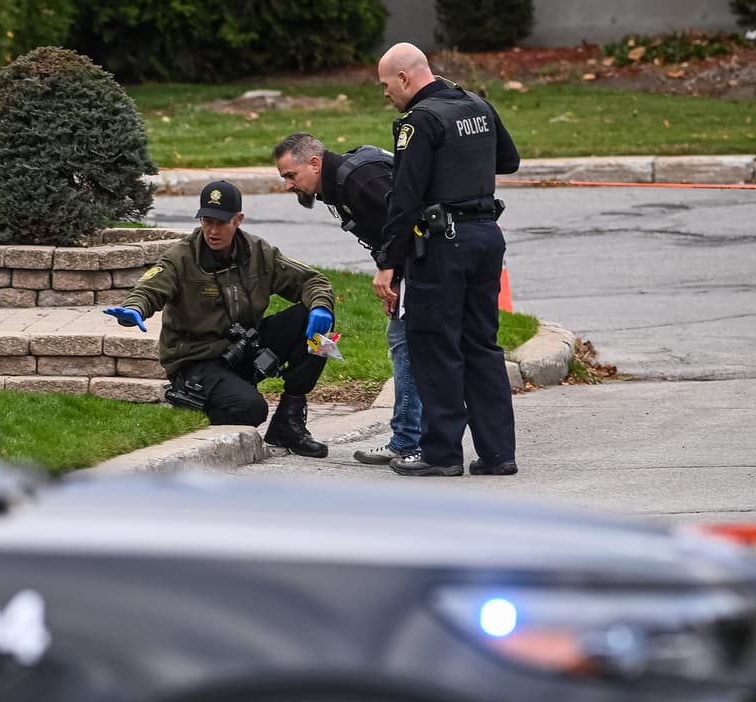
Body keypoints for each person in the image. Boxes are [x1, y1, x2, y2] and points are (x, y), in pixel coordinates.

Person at [371, 42, 521, 477]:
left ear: (404, 77)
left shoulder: (420, 122)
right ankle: (497, 454)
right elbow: (508, 161)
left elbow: (404, 199)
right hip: (485, 237)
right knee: (482, 345)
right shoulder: (476, 103)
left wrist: (387, 262)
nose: (385, 94)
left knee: (436, 346)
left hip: (443, 244)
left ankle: (440, 454)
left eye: (385, 85)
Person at [104, 180, 336, 458]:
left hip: (244, 349)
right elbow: (150, 287)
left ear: (238, 220)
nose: (213, 230)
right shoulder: (181, 256)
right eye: (207, 221)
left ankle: (290, 419)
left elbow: (313, 281)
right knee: (251, 409)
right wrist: (134, 309)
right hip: (198, 360)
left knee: (317, 322)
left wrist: (321, 307)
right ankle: (191, 397)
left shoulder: (258, 252)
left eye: (221, 222)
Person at [273, 132, 422, 467]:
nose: (288, 185)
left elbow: (404, 222)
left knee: (407, 346)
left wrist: (390, 269)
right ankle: (413, 438)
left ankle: (409, 441)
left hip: (427, 266)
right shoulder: (341, 184)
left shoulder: (359, 179)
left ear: (314, 163)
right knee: (407, 344)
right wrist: (392, 277)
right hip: (411, 269)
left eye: (290, 176)